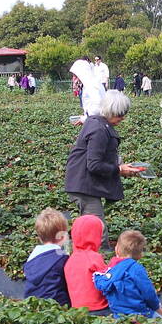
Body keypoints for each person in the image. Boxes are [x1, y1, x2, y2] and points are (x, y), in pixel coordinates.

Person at [63, 90, 145, 241]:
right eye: (120, 114)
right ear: (111, 111)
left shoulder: (98, 123)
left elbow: (100, 157)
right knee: (98, 230)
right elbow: (94, 165)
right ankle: (100, 260)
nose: (123, 118)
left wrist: (120, 165)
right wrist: (119, 169)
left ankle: (87, 257)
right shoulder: (98, 129)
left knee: (90, 227)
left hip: (82, 182)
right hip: (83, 185)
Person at [93, 230, 162, 321]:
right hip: (140, 314)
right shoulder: (136, 269)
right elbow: (148, 292)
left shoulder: (110, 269)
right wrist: (156, 307)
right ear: (140, 255)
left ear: (116, 249)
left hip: (118, 316)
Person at [23, 208, 70, 306]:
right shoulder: (61, 258)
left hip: (32, 305)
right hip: (57, 305)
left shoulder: (32, 258)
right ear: (61, 236)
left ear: (40, 237)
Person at [65, 214, 109, 312]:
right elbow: (106, 281)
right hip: (98, 308)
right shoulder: (94, 258)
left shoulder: (70, 259)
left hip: (77, 309)